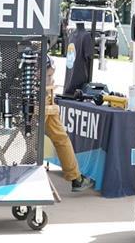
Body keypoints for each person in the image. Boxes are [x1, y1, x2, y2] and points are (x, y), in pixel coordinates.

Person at [44, 54, 95, 192]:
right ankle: (75, 178)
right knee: (59, 139)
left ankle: (75, 177)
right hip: (40, 101)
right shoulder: (35, 53)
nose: (51, 80)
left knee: (57, 138)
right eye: (48, 77)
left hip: (42, 99)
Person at [63, 22, 95, 96]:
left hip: (68, 85)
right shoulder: (86, 36)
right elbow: (89, 56)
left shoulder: (71, 35)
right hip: (79, 86)